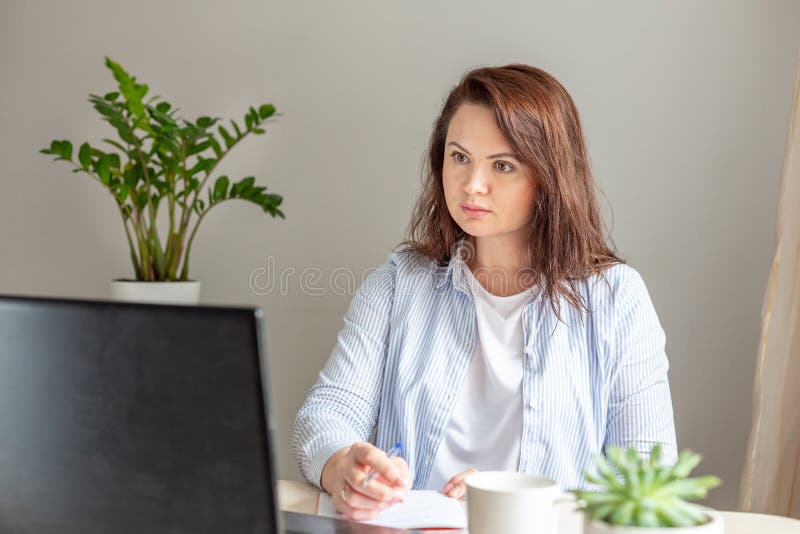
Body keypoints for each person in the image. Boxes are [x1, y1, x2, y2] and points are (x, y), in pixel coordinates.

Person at [292, 63, 678, 520]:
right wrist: (343, 467)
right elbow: (325, 416)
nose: (472, 184)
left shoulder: (616, 298)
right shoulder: (398, 284)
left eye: (503, 165)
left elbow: (649, 474)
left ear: (549, 177)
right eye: (459, 157)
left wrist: (507, 497)